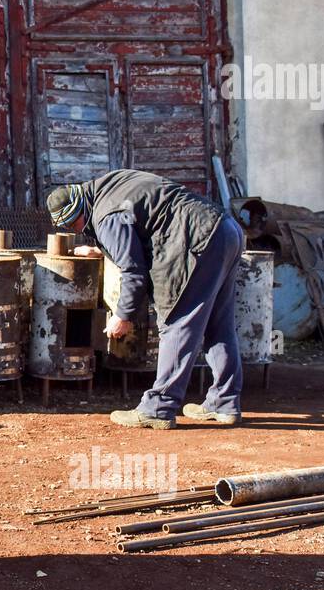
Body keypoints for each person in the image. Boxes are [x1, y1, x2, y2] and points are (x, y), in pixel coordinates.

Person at [46, 169, 246, 430]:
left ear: (81, 207)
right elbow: (141, 223)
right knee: (218, 324)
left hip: (196, 242)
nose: (76, 229)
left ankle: (159, 407)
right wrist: (102, 248)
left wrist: (123, 316)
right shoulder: (108, 185)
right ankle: (225, 401)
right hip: (225, 230)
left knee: (177, 322)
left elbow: (134, 271)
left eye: (75, 223)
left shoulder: (106, 216)